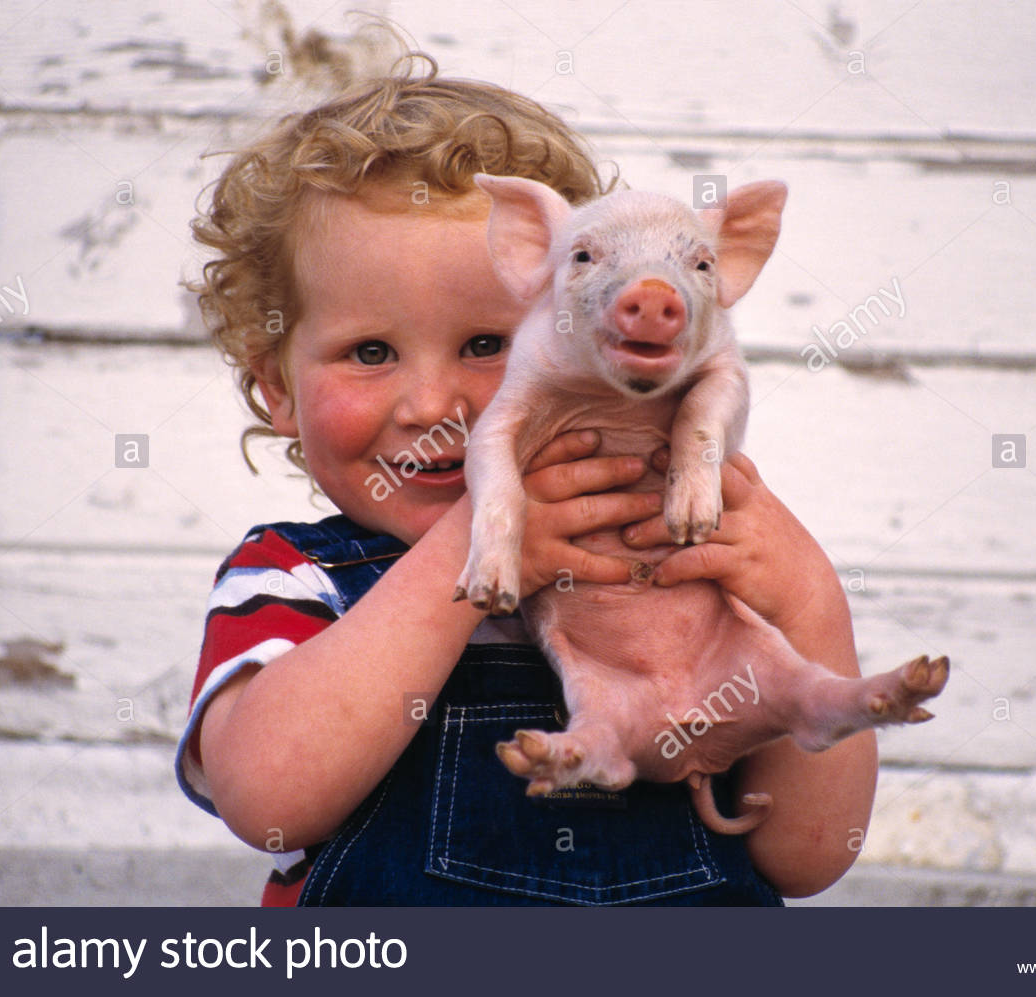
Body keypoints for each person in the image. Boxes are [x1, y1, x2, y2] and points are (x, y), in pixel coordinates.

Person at [176, 38, 875, 906]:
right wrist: (477, 545)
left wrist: (806, 600)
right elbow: (270, 801)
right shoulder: (293, 573)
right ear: (278, 386)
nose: (433, 402)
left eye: (486, 345)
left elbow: (808, 853)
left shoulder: (676, 538)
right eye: (369, 351)